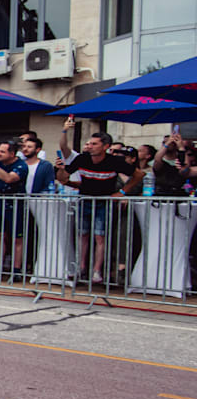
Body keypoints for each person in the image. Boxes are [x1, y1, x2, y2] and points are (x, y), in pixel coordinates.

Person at [56, 120, 143, 284]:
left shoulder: (115, 161)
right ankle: (81, 268)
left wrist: (122, 192)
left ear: (105, 146)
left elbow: (139, 175)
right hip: (85, 199)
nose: (91, 146)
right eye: (90, 143)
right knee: (82, 235)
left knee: (100, 237)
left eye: (95, 144)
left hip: (104, 201)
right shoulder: (82, 159)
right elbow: (63, 178)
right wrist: (61, 169)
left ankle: (96, 271)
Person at [0, 140, 28, 281]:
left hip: (15, 204)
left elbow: (8, 178)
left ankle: (16, 270)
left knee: (16, 238)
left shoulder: (21, 165)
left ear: (12, 154)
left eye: (2, 151)